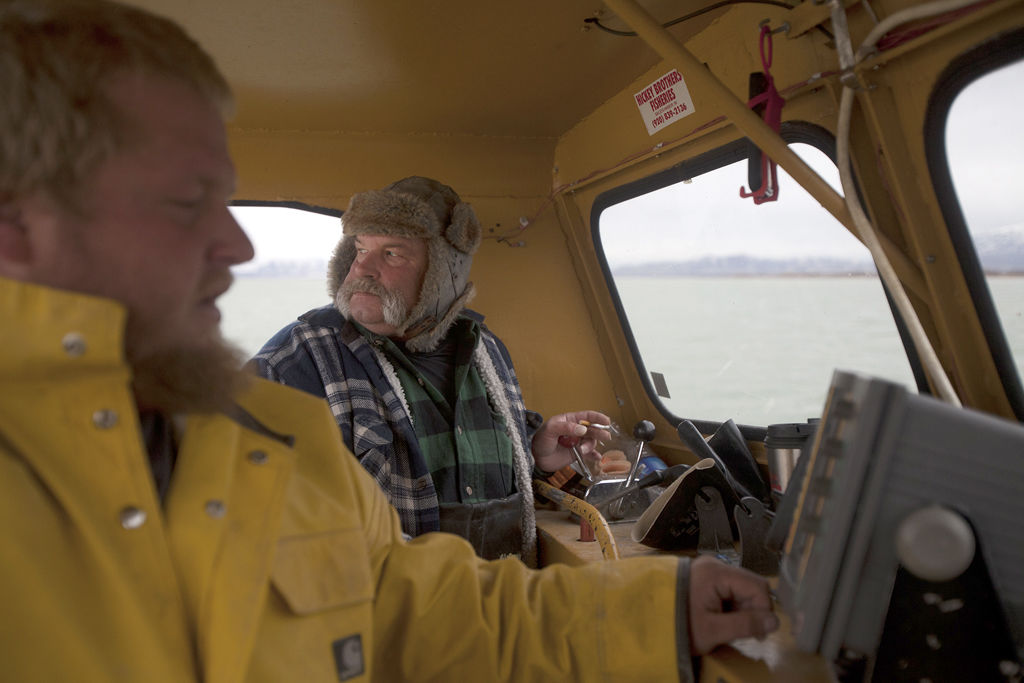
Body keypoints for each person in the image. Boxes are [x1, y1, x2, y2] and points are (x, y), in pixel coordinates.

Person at [0, 1, 778, 681]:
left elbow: (416, 608)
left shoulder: (277, 438)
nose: (237, 244)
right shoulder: (295, 368)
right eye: (184, 199)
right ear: (16, 229)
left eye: (392, 253)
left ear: (443, 272)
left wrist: (659, 610)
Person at [252, 175, 612, 563]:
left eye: (392, 253)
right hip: (385, 615)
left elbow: (471, 479)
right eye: (359, 249)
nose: (363, 270)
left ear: (443, 274)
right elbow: (257, 517)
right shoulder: (294, 360)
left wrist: (536, 456)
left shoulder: (486, 350)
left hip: (504, 608)